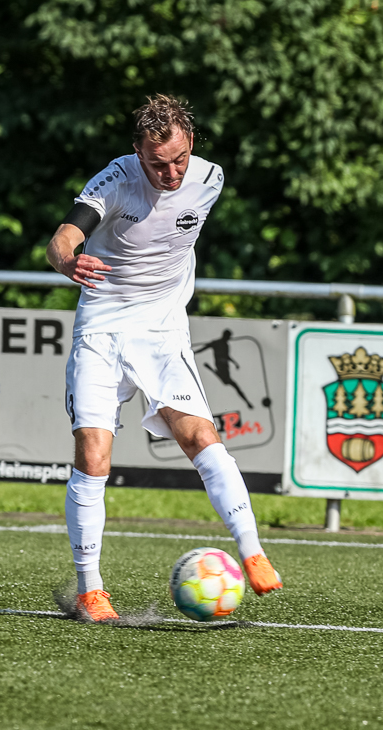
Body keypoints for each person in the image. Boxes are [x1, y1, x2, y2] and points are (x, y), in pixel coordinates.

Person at [46, 94, 282, 623]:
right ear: (137, 152)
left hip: (162, 333)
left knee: (201, 436)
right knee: (93, 453)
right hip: (102, 331)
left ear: (191, 145)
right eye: (157, 163)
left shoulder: (211, 178)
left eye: (178, 159)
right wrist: (67, 259)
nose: (170, 172)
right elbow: (65, 234)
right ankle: (91, 590)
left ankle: (253, 552)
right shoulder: (115, 179)